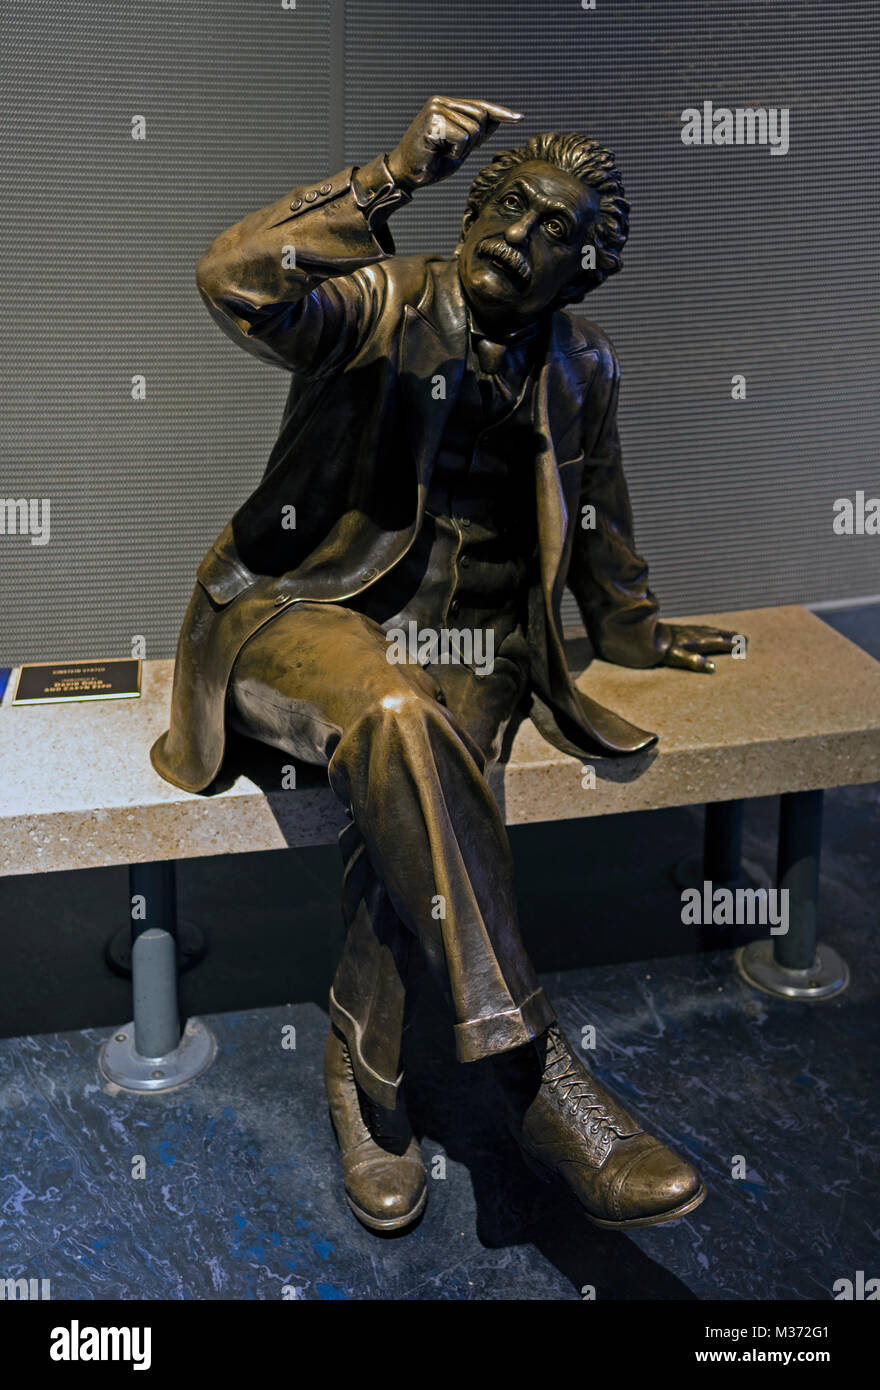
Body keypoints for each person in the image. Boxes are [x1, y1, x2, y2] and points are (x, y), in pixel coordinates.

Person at [152, 97, 737, 1234]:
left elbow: (601, 518)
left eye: (554, 225)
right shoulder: (381, 305)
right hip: (299, 611)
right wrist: (383, 175)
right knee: (392, 714)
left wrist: (634, 627)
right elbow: (232, 277)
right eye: (508, 202)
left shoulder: (581, 365)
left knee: (420, 760)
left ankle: (360, 1073)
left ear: (586, 269)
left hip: (477, 644)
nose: (522, 228)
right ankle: (532, 1073)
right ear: (473, 209)